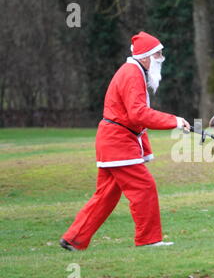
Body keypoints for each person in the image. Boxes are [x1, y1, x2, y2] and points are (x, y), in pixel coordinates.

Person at [60, 31, 190, 251]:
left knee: (106, 195)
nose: (161, 58)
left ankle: (74, 239)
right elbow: (138, 113)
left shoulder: (134, 71)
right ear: (146, 56)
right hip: (117, 142)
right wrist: (174, 121)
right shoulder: (132, 73)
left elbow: (135, 116)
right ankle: (148, 241)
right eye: (158, 54)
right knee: (144, 187)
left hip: (115, 140)